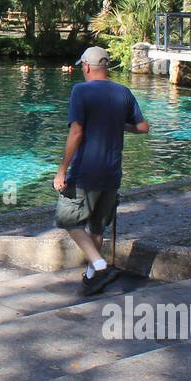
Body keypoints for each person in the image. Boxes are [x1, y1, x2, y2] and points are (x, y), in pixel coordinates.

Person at [53, 47, 150, 297]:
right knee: (96, 228)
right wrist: (118, 124)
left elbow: (76, 132)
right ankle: (91, 279)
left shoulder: (80, 91)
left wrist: (62, 170)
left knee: (67, 219)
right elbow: (142, 127)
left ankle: (99, 265)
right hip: (112, 172)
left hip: (86, 171)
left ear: (86, 66)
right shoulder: (123, 92)